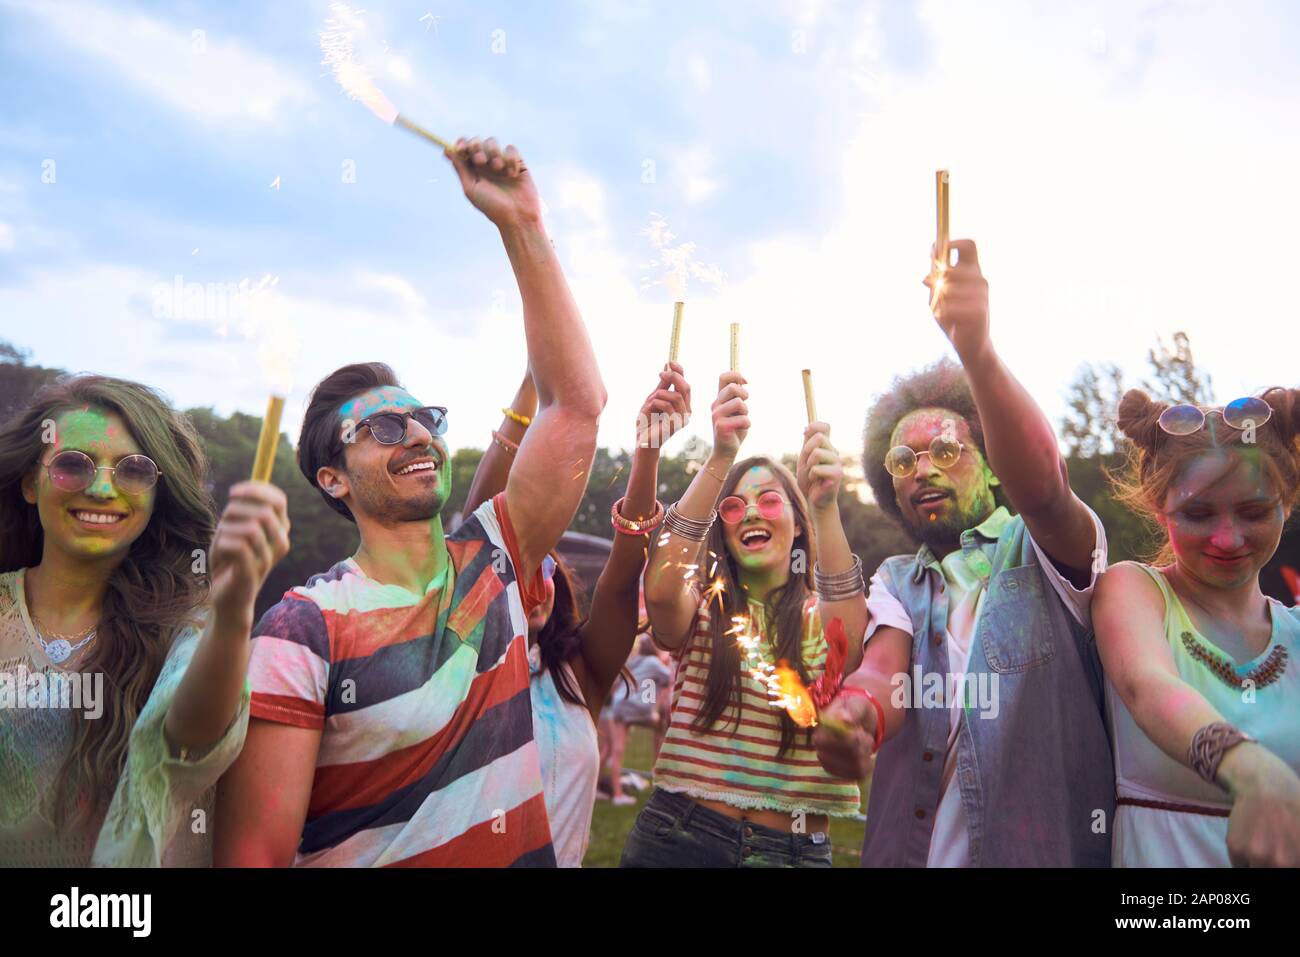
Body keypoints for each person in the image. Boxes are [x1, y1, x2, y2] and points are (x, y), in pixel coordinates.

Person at [214, 136, 607, 867]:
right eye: (385, 427)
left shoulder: (494, 563)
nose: (418, 435)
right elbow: (254, 856)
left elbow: (577, 406)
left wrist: (521, 224)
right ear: (333, 477)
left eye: (425, 417)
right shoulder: (303, 627)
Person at [815, 238, 1113, 866]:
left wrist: (976, 351)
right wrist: (858, 710)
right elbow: (883, 670)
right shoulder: (898, 578)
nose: (922, 470)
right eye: (903, 460)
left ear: (994, 467)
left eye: (947, 451)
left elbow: (1046, 485)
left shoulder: (1047, 548)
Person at [0, 375, 288, 867]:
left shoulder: (190, 626)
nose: (103, 487)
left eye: (134, 469)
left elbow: (193, 738)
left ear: (157, 493)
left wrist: (233, 610)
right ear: (30, 481)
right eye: (73, 464)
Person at [621, 370, 867, 868]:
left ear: (797, 527)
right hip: (679, 840)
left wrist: (825, 507)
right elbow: (662, 585)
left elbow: (853, 647)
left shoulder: (822, 619)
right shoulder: (704, 608)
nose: (751, 512)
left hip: (795, 852)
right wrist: (721, 457)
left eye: (770, 500)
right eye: (734, 507)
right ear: (723, 534)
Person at [456, 363, 690, 861]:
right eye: (516, 570)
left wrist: (647, 454)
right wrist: (527, 389)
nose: (531, 583)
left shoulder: (578, 674)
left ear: (556, 590)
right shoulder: (456, 666)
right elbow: (477, 530)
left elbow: (624, 573)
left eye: (543, 571)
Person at [1093, 388, 1300, 867]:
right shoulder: (1135, 591)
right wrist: (1247, 768)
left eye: (1253, 512)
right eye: (1199, 514)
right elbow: (1149, 685)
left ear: (1285, 504)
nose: (1228, 538)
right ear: (1158, 506)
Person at [605, 634, 673, 806]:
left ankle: (617, 794)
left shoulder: (632, 662)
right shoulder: (653, 663)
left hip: (621, 707)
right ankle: (658, 775)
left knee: (616, 750)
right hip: (640, 710)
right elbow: (669, 678)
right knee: (661, 731)